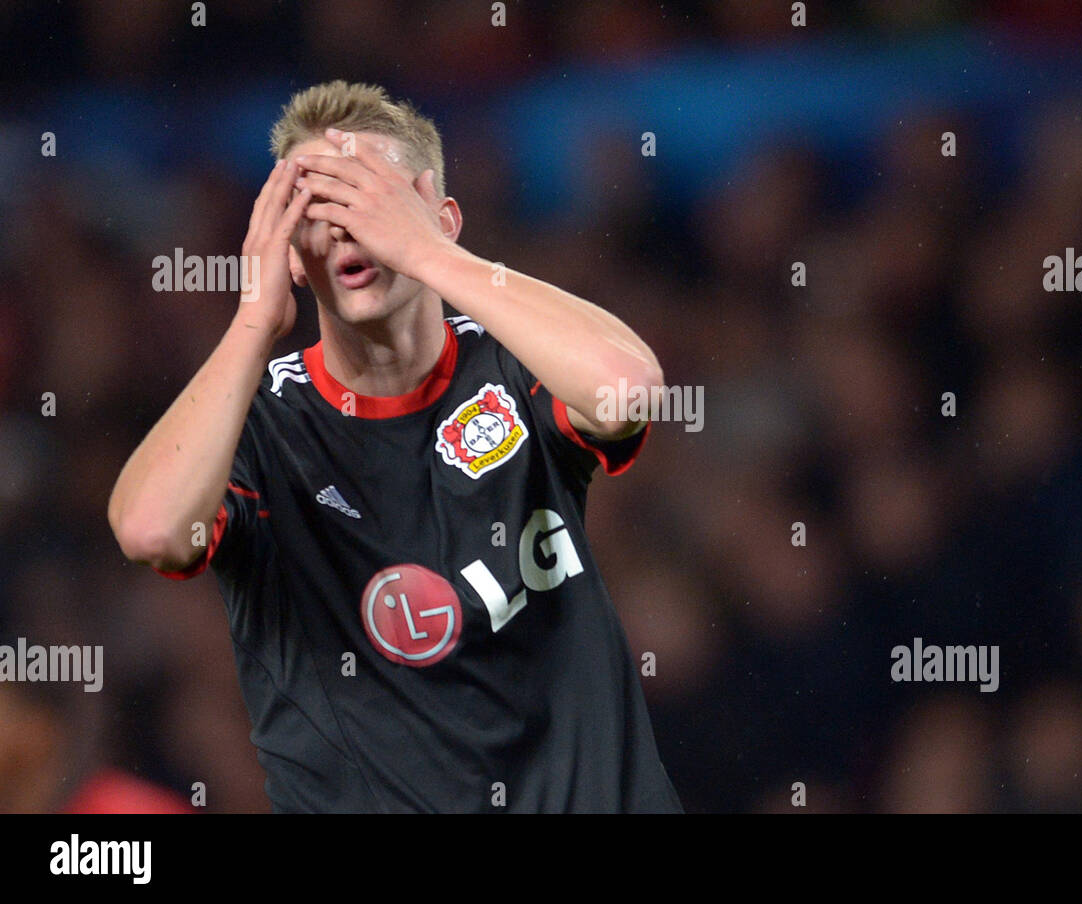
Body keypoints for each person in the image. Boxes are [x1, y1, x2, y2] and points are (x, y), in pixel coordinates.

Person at [108, 81, 681, 813]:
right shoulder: (253, 424)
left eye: (371, 198)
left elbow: (630, 389)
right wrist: (253, 323)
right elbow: (152, 528)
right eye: (323, 208)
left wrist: (428, 252)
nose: (351, 228)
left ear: (439, 216)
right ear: (287, 249)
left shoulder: (513, 365)